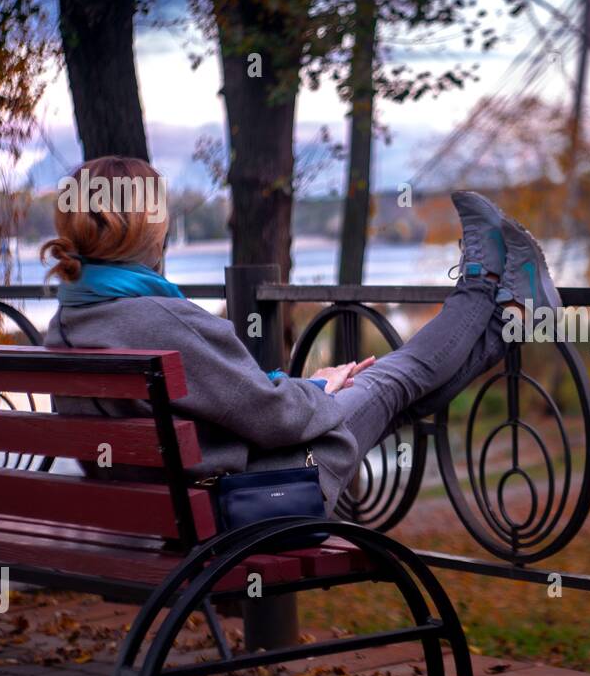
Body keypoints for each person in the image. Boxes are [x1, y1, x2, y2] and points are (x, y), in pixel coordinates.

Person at [41, 155, 560, 513]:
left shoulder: (66, 326)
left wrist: (312, 390)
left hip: (171, 508)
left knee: (392, 397)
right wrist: (320, 389)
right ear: (152, 230)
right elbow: (276, 418)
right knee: (388, 383)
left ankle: (510, 314)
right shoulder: (157, 319)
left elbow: (228, 405)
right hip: (260, 499)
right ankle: (485, 281)